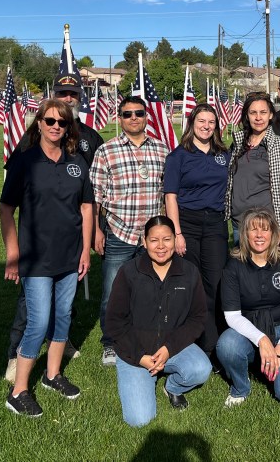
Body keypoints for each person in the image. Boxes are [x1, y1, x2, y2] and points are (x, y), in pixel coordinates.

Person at [5, 73, 103, 381]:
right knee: (32, 310)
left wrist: (91, 237)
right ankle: (16, 356)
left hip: (70, 246)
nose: (56, 124)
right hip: (36, 249)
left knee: (63, 310)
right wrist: (12, 252)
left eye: (73, 94)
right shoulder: (28, 150)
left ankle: (56, 358)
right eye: (62, 93)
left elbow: (89, 198)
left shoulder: (88, 139)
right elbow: (7, 202)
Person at [104, 215, 212, 427]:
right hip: (135, 350)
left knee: (200, 369)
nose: (161, 246)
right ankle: (143, 375)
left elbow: (198, 317)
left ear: (175, 240)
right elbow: (115, 322)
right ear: (144, 242)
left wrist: (169, 348)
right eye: (154, 240)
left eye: (167, 239)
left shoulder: (189, 272)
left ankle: (172, 386)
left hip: (172, 345)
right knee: (140, 420)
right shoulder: (128, 272)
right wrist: (139, 357)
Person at [90, 95, 170, 366]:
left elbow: (167, 194)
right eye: (127, 114)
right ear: (119, 118)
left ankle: (144, 336)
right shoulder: (106, 151)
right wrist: (96, 232)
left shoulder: (161, 149)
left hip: (152, 237)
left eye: (138, 113)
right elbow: (95, 197)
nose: (133, 118)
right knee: (113, 292)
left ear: (146, 116)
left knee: (150, 291)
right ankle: (110, 342)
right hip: (118, 231)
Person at [216, 208, 280, 408]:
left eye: (265, 230)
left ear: (273, 234)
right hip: (252, 329)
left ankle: (274, 365)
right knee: (227, 345)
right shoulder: (233, 266)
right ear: (245, 234)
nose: (259, 235)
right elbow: (232, 316)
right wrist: (262, 340)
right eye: (253, 230)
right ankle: (241, 387)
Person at [164, 103, 231, 357]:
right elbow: (171, 197)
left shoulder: (223, 154)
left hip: (215, 224)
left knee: (215, 284)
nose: (206, 126)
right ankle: (191, 340)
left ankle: (214, 344)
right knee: (191, 284)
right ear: (191, 123)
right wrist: (177, 234)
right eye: (201, 121)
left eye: (211, 122)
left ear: (216, 126)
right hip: (187, 224)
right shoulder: (178, 156)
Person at [224, 92, 280, 246]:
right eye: (253, 113)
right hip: (238, 222)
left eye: (263, 112)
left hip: (265, 224)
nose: (258, 118)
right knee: (240, 269)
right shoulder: (237, 143)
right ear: (247, 116)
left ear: (270, 115)